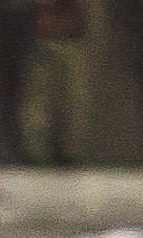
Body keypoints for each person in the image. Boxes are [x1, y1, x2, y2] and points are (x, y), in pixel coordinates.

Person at [19, 0, 92, 168]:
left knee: (74, 108)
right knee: (36, 113)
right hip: (40, 42)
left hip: (73, 42)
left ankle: (70, 161)